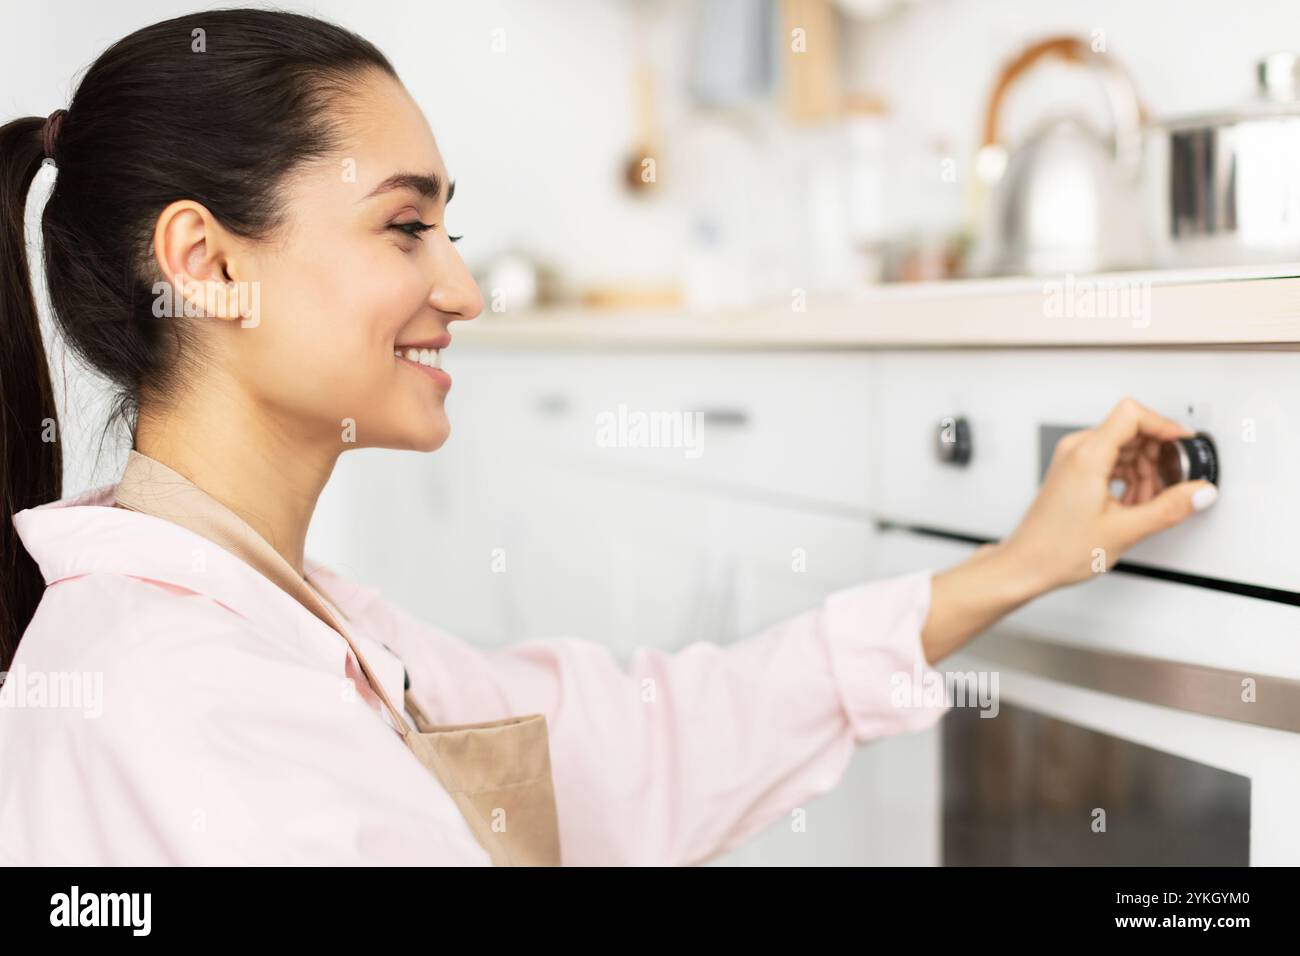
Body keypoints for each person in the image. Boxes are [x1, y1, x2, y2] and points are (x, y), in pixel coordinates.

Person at [0, 10, 1217, 866]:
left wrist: (1017, 564)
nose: (465, 292)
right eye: (405, 225)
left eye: (448, 229)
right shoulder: (194, 702)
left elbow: (634, 742)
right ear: (207, 265)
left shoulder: (284, 620)